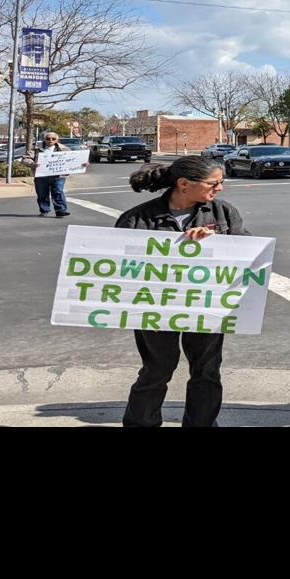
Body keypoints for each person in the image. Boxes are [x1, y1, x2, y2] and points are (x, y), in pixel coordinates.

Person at [115, 156, 249, 427]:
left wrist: (216, 244)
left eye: (221, 183)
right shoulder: (138, 218)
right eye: (214, 183)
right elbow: (117, 267)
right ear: (184, 184)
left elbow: (247, 251)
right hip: (155, 310)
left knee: (207, 371)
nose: (219, 188)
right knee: (156, 370)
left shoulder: (223, 213)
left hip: (206, 307)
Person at [24, 132, 72, 218]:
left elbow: (73, 159)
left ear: (57, 140)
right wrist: (32, 163)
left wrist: (82, 164)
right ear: (44, 139)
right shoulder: (36, 149)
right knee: (42, 194)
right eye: (48, 138)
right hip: (41, 175)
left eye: (53, 139)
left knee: (58, 191)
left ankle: (61, 210)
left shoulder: (64, 149)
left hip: (58, 175)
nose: (50, 140)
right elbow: (25, 159)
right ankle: (44, 210)